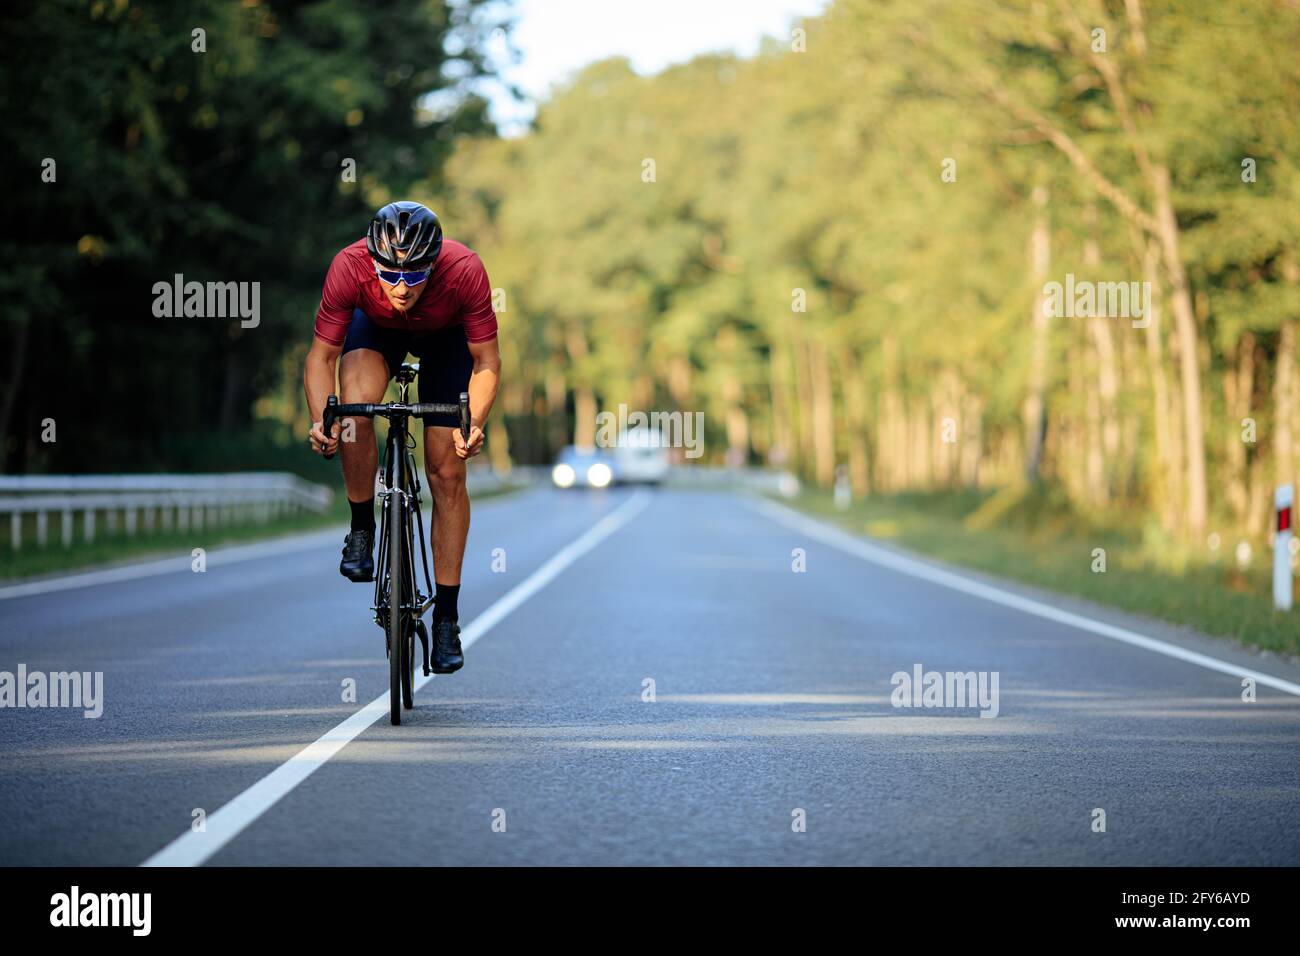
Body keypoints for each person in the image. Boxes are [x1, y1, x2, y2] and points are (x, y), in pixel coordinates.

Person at [304, 201, 501, 673]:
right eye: (390, 274)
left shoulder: (464, 270)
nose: (401, 287)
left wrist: (473, 424)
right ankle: (361, 528)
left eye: (415, 276)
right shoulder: (349, 266)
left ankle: (448, 620)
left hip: (447, 339)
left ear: (434, 264)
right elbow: (320, 358)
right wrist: (321, 419)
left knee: (446, 469)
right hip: (377, 332)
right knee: (353, 405)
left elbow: (487, 362)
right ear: (372, 260)